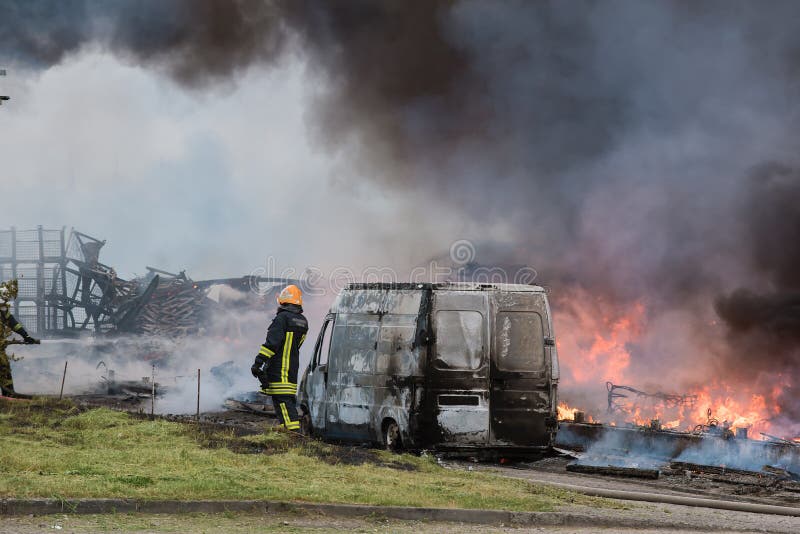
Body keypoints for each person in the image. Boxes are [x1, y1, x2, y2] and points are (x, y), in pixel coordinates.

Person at [251, 285, 308, 431]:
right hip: (292, 370)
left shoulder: (282, 319)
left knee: (282, 403)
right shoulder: (303, 321)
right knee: (287, 402)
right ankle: (292, 433)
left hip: (279, 370)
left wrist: (258, 363)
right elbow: (296, 346)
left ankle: (293, 435)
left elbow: (271, 345)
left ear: (283, 302)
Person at [0, 280, 39, 397]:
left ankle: (9, 393)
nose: (4, 306)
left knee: (4, 367)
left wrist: (25, 335)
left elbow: (14, 324)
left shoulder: (3, 312)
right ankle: (8, 393)